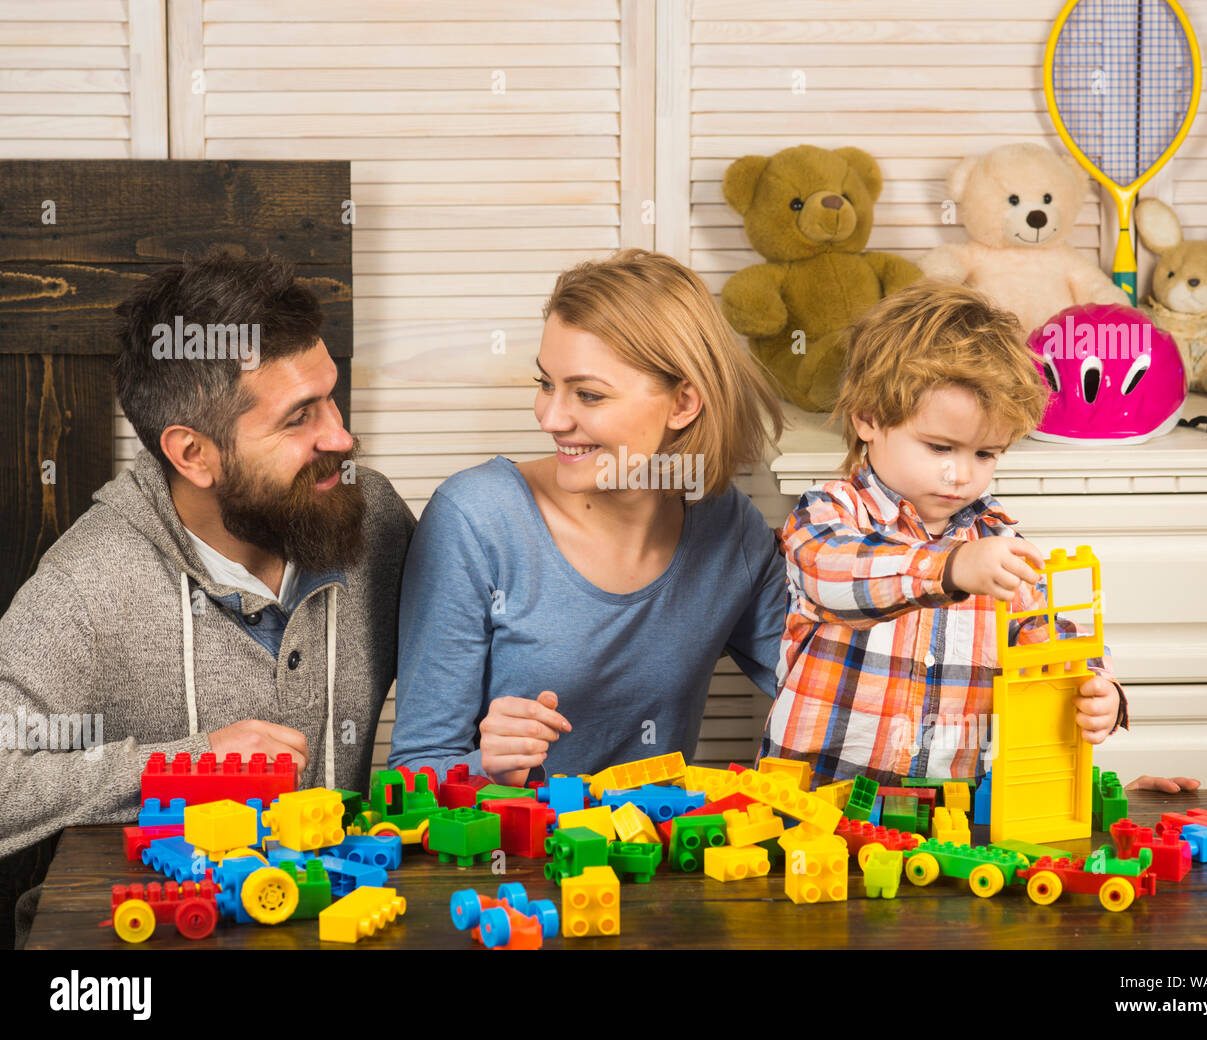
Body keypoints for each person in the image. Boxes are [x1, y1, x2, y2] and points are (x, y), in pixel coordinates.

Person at [0, 252, 415, 947]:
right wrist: (189, 765)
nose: (340, 437)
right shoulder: (87, 585)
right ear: (192, 454)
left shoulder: (370, 517)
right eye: (298, 419)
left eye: (330, 396)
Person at [391, 249, 787, 786]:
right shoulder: (476, 519)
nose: (551, 418)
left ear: (683, 404)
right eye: (545, 383)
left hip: (655, 860)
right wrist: (487, 764)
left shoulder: (727, 528)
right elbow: (415, 769)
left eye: (588, 394)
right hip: (508, 864)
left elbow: (822, 687)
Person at [761, 281, 1132, 787]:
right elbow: (838, 577)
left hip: (947, 812)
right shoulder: (828, 513)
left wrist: (1096, 686)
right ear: (868, 418)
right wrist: (951, 566)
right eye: (939, 447)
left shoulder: (996, 542)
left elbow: (1052, 636)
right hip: (816, 800)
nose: (961, 475)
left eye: (985, 454)